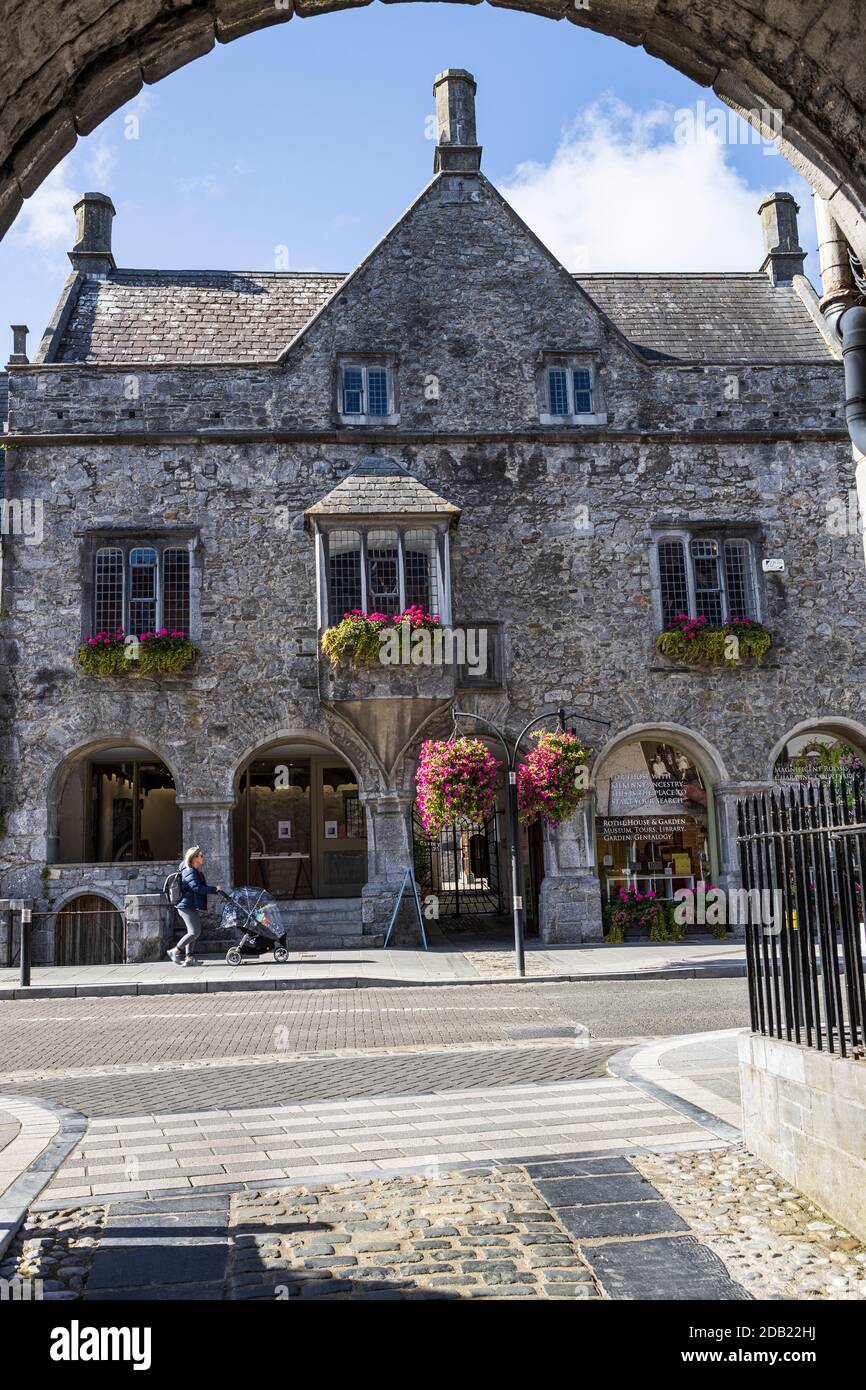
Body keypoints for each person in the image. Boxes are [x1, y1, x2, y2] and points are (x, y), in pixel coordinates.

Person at [167, 845, 222, 967]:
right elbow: (197, 888)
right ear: (194, 858)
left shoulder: (193, 870)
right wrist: (214, 889)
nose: (203, 857)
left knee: (194, 932)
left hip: (189, 905)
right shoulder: (189, 871)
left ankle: (189, 958)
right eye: (201, 855)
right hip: (185, 906)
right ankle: (175, 951)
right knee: (194, 932)